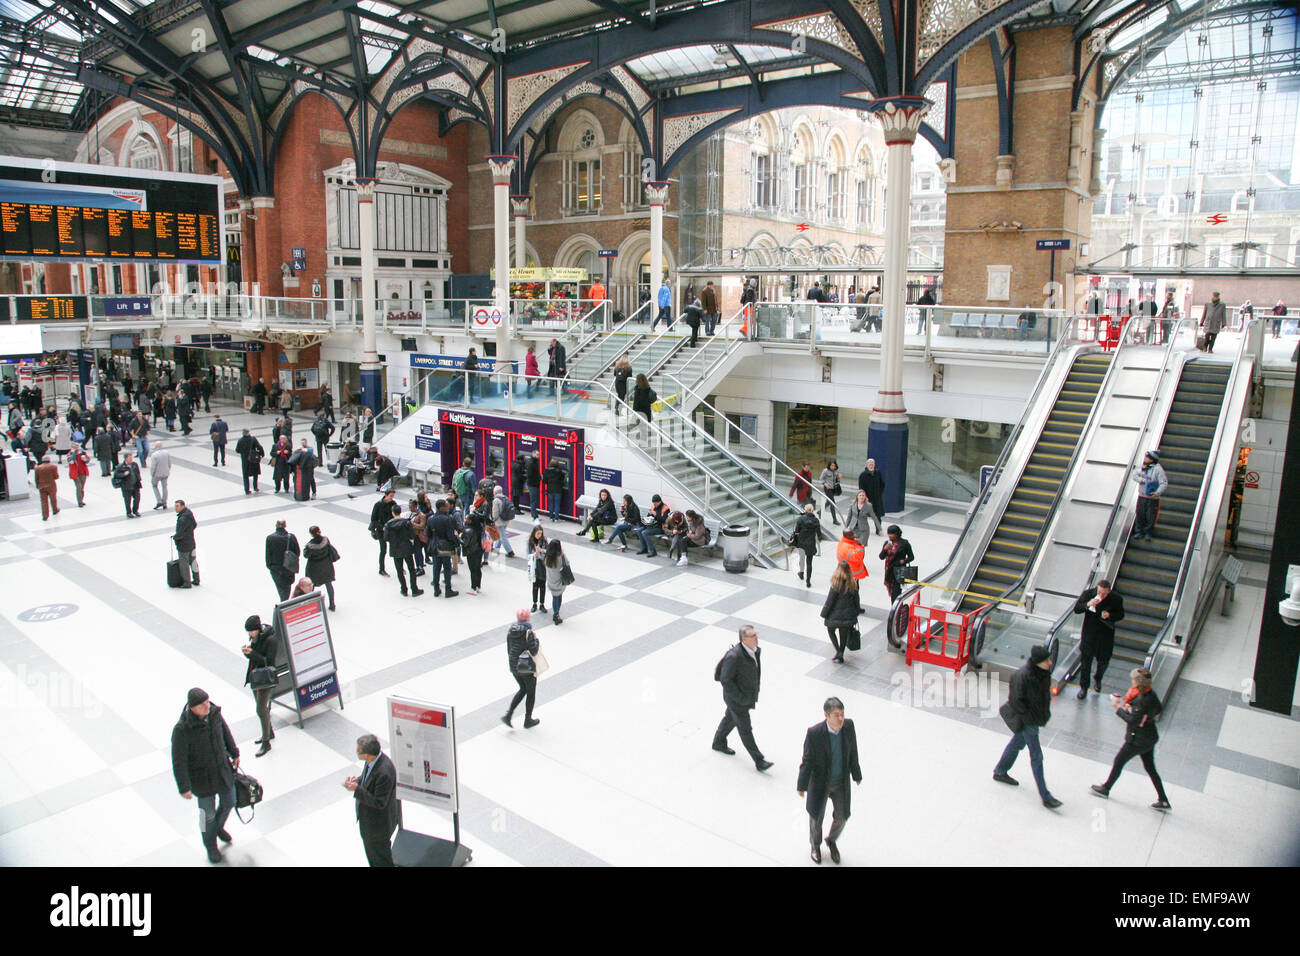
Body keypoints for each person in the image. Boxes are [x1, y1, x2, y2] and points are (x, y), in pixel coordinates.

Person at [171, 688, 240, 864]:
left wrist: (234, 752)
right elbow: (179, 760)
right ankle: (210, 845)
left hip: (222, 771)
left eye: (208, 702)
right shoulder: (182, 729)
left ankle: (217, 828)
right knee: (206, 815)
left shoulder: (215, 714)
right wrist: (184, 786)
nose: (207, 706)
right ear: (192, 708)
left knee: (230, 801)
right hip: (201, 779)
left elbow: (225, 732)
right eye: (203, 704)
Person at [1090, 667, 1171, 810]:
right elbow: (1157, 709)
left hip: (1138, 739)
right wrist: (1144, 716)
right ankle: (1163, 800)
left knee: (1119, 760)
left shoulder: (1141, 701)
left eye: (1133, 679)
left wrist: (1117, 707)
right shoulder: (1151, 695)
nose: (1131, 681)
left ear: (1138, 683)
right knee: (1150, 768)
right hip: (1150, 737)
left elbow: (1132, 720)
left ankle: (1106, 788)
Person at [993, 644, 1062, 809]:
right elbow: (1016, 701)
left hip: (1034, 718)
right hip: (1028, 721)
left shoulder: (1043, 674)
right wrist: (1030, 718)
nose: (1050, 662)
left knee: (1016, 744)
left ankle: (1000, 771)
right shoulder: (1022, 676)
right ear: (1038, 661)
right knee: (1036, 756)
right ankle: (1045, 796)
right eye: (1047, 660)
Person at [798, 697, 862, 864]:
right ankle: (815, 845)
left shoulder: (848, 727)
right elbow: (807, 761)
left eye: (842, 714)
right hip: (821, 783)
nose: (840, 718)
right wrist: (802, 785)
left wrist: (856, 774)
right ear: (826, 716)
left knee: (842, 816)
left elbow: (853, 751)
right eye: (836, 715)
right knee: (816, 817)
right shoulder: (815, 733)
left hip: (840, 782)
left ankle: (831, 840)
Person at [712, 625, 772, 771]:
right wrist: (740, 698)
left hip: (745, 696)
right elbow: (726, 680)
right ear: (744, 639)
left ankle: (718, 742)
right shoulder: (735, 656)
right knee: (745, 728)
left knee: (730, 718)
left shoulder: (754, 651)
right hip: (736, 699)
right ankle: (759, 760)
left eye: (756, 634)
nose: (756, 638)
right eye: (753, 636)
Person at [343, 734, 399, 867]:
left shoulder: (384, 772)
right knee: (374, 858)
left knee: (380, 859)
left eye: (358, 751)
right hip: (370, 825)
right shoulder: (371, 762)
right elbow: (367, 778)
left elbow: (379, 802)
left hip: (378, 828)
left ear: (367, 754)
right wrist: (358, 780)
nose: (356, 753)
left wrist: (357, 790)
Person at [1073, 578, 1125, 698]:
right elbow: (1077, 609)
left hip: (1105, 634)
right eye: (1099, 592)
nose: (1101, 595)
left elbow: (1121, 614)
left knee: (1104, 661)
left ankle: (1098, 677)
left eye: (1104, 594)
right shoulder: (1088, 594)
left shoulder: (1116, 599)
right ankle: (1084, 688)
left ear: (1109, 591)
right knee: (1086, 661)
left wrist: (1110, 615)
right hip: (1089, 633)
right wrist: (1088, 604)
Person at [241, 614, 278, 757]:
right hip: (255, 677)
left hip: (265, 678)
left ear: (258, 629)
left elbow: (268, 661)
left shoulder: (270, 640)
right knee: (261, 707)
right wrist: (248, 653)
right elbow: (255, 657)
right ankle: (269, 732)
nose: (250, 634)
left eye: (251, 631)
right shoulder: (257, 638)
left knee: (261, 710)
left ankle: (266, 741)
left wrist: (252, 653)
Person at [502, 608, 543, 728]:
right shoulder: (528, 632)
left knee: (522, 689)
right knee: (530, 692)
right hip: (526, 667)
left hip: (514, 665)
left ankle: (509, 715)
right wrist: (535, 639)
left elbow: (509, 648)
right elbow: (534, 651)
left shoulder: (511, 630)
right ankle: (528, 719)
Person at [820, 561, 861, 662]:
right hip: (848, 615)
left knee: (830, 630)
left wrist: (824, 613)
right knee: (844, 634)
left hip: (835, 614)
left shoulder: (836, 584)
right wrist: (856, 612)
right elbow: (857, 600)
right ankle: (841, 652)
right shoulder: (853, 584)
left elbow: (830, 601)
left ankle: (838, 651)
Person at [385, 503, 423, 597]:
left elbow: (386, 538)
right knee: (411, 569)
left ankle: (404, 589)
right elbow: (412, 535)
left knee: (399, 570)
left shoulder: (388, 524)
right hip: (407, 548)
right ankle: (414, 589)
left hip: (395, 549)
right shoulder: (406, 522)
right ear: (400, 512)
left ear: (393, 513)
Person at [1131, 450, 1167, 541]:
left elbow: (1163, 483)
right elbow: (1134, 475)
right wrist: (1144, 481)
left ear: (1152, 460)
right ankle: (1139, 531)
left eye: (1147, 457)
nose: (1145, 459)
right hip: (1142, 496)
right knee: (1140, 514)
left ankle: (1148, 532)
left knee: (1151, 516)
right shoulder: (1143, 467)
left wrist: (1157, 492)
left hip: (1152, 498)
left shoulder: (1158, 469)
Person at [427, 499, 459, 598]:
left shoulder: (430, 518)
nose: (447, 507)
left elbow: (428, 534)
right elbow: (450, 535)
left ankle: (436, 589)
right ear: (441, 507)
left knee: (436, 567)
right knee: (447, 568)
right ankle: (448, 589)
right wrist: (455, 541)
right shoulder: (447, 519)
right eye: (446, 506)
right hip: (445, 546)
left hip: (435, 545)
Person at [303, 525, 340, 611]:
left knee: (311, 586)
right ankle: (332, 604)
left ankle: (311, 605)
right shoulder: (325, 540)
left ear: (311, 534)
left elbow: (306, 555)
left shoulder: (310, 545)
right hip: (326, 566)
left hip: (314, 568)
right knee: (329, 584)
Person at [265, 519, 300, 602]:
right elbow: (297, 552)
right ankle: (285, 603)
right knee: (287, 588)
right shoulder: (291, 537)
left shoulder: (270, 538)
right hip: (289, 568)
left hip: (276, 569)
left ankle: (283, 605)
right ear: (285, 526)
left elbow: (268, 555)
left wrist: (270, 566)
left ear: (276, 525)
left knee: (281, 589)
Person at [879, 524, 916, 601]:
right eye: (889, 533)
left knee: (896, 593)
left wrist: (904, 561)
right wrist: (885, 549)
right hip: (889, 570)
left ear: (897, 534)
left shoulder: (904, 543)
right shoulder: (887, 543)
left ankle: (895, 609)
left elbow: (911, 557)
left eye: (892, 534)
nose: (890, 536)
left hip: (899, 570)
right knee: (892, 592)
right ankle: (896, 609)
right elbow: (881, 557)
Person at [791, 503, 821, 586]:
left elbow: (797, 531)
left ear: (806, 510)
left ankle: (801, 573)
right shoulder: (815, 520)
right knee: (809, 562)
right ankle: (808, 581)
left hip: (802, 542)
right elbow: (819, 533)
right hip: (811, 543)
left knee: (802, 559)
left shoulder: (801, 519)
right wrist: (819, 539)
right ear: (812, 510)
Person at [543, 538, 572, 624]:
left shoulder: (547, 557)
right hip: (560, 581)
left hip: (551, 580)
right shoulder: (560, 556)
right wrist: (563, 552)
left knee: (555, 597)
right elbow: (567, 563)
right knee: (558, 596)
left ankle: (556, 613)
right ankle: (556, 613)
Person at [461, 500, 487, 594]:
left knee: (472, 570)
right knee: (477, 569)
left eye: (467, 519)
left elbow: (465, 543)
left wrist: (458, 537)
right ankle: (478, 586)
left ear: (470, 521)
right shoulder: (478, 529)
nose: (465, 520)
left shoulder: (468, 531)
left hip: (471, 552)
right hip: (479, 550)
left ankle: (473, 588)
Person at [172, 499, 199, 588]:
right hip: (191, 542)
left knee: (184, 564)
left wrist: (175, 537)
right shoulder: (189, 513)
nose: (175, 508)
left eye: (177, 506)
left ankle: (187, 582)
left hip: (183, 545)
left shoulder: (182, 519)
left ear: (182, 506)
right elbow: (194, 525)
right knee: (193, 562)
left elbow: (179, 533)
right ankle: (196, 579)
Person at [857, 459, 886, 533]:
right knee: (862, 515)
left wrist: (879, 492)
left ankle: (878, 530)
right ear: (867, 465)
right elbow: (861, 487)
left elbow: (882, 484)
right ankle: (860, 528)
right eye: (870, 463)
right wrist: (864, 497)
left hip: (877, 498)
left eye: (872, 463)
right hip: (867, 499)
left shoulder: (878, 473)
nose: (871, 465)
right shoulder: (863, 475)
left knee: (877, 515)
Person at [113, 451, 142, 518]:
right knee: (127, 500)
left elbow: (138, 472)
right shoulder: (121, 466)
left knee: (137, 498)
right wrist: (123, 474)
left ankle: (135, 510)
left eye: (131, 458)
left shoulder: (134, 464)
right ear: (125, 458)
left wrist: (139, 478)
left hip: (135, 485)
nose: (131, 459)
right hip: (126, 486)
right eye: (129, 458)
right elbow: (116, 475)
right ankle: (128, 512)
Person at [490, 484, 517, 558]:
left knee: (502, 537)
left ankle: (510, 551)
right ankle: (496, 549)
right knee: (500, 534)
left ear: (494, 492)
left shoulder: (496, 500)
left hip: (499, 521)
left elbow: (495, 513)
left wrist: (493, 520)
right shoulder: (505, 497)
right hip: (506, 520)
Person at [526, 524, 548, 610]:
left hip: (542, 565)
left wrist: (542, 550)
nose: (539, 536)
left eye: (541, 534)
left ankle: (542, 604)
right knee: (535, 585)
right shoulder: (530, 542)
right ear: (534, 533)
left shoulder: (544, 541)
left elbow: (549, 551)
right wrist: (533, 555)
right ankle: (534, 603)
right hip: (534, 565)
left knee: (543, 585)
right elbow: (527, 555)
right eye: (538, 534)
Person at [235, 429, 264, 494]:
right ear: (248, 433)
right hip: (253, 458)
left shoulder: (240, 440)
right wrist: (261, 454)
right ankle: (255, 487)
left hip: (245, 460)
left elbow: (237, 450)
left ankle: (247, 489)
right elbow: (259, 447)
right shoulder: (253, 439)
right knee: (255, 473)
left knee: (245, 475)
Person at [631, 373, 656, 440]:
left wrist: (634, 411)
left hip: (640, 412)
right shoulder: (648, 388)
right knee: (644, 428)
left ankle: (643, 442)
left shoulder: (638, 389)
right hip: (647, 411)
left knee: (642, 428)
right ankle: (644, 440)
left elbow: (636, 402)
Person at [34, 455, 59, 520]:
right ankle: (55, 510)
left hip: (42, 486)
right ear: (49, 460)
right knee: (53, 499)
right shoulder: (53, 467)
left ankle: (45, 515)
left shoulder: (37, 468)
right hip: (51, 485)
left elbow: (36, 478)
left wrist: (37, 486)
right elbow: (56, 477)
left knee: (44, 501)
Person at [148, 439, 171, 509]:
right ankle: (164, 502)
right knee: (164, 487)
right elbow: (169, 463)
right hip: (165, 473)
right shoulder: (167, 453)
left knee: (154, 486)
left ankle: (159, 501)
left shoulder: (154, 455)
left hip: (157, 474)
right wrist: (168, 469)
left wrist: (152, 474)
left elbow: (153, 467)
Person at [542, 456, 567, 521]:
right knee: (557, 504)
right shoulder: (560, 472)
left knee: (551, 504)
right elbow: (563, 480)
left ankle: (551, 517)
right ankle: (556, 518)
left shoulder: (546, 471)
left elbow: (544, 481)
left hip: (550, 489)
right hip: (558, 490)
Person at [818, 459, 841, 525]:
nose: (833, 467)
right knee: (832, 503)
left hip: (834, 488)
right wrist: (825, 484)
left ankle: (820, 512)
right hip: (828, 488)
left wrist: (839, 478)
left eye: (834, 465)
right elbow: (821, 478)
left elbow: (837, 480)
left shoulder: (836, 471)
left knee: (828, 502)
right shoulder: (825, 471)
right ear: (829, 465)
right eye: (831, 465)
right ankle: (835, 520)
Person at [67, 442, 89, 508]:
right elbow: (70, 461)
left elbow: (87, 460)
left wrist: (85, 459)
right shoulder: (70, 453)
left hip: (83, 472)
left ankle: (81, 500)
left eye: (78, 446)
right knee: (78, 487)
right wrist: (74, 453)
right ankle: (79, 502)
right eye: (76, 446)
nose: (77, 447)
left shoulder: (82, 452)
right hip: (75, 473)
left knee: (82, 487)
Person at [526, 450, 543, 519]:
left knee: (534, 500)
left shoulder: (533, 462)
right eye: (537, 455)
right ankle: (534, 516)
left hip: (533, 484)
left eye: (538, 454)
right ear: (533, 454)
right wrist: (539, 477)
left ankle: (535, 515)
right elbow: (530, 475)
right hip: (533, 484)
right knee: (533, 501)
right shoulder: (532, 463)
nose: (538, 456)